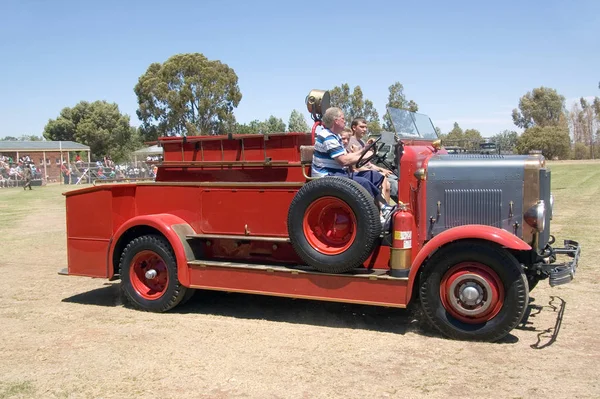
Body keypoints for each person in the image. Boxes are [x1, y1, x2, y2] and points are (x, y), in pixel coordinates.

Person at [312, 107, 393, 219]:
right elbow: (344, 161)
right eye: (343, 118)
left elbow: (348, 156)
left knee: (373, 175)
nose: (345, 121)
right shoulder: (327, 136)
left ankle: (383, 208)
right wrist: (366, 153)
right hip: (327, 175)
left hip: (338, 173)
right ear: (336, 120)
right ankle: (376, 214)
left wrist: (365, 150)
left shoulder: (336, 136)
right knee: (363, 182)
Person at [350, 117, 398, 201]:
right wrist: (378, 172)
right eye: (361, 127)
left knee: (396, 178)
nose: (364, 129)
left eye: (366, 127)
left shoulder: (362, 142)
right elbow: (355, 166)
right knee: (392, 184)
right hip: (360, 173)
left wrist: (381, 169)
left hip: (367, 170)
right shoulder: (350, 142)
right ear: (354, 128)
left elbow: (368, 163)